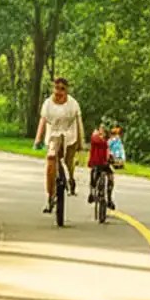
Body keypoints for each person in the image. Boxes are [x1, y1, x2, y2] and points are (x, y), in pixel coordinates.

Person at [33, 77, 83, 213]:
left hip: (70, 135)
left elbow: (79, 123)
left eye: (62, 89)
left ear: (67, 91)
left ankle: (71, 179)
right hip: (54, 135)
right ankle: (50, 196)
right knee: (51, 159)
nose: (59, 92)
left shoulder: (73, 104)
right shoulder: (48, 104)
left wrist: (80, 142)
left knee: (68, 161)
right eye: (56, 88)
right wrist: (37, 139)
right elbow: (43, 121)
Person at [86, 124, 115, 211]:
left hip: (105, 164)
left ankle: (109, 199)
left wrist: (112, 158)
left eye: (104, 130)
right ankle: (92, 192)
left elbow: (111, 151)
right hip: (96, 163)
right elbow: (98, 141)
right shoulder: (96, 138)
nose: (102, 132)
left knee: (110, 178)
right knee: (94, 176)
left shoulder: (108, 141)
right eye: (101, 130)